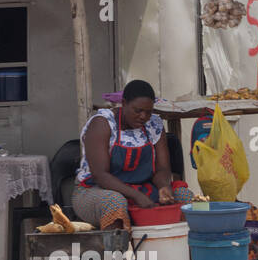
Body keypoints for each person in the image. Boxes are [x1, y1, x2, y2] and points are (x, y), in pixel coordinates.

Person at [72, 79, 192, 230]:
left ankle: (184, 251)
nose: (143, 116)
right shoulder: (103, 123)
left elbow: (162, 167)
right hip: (95, 191)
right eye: (138, 110)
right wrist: (136, 196)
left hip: (143, 189)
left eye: (148, 112)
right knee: (115, 202)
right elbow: (100, 175)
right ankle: (116, 252)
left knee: (186, 197)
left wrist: (163, 186)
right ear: (124, 103)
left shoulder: (153, 124)